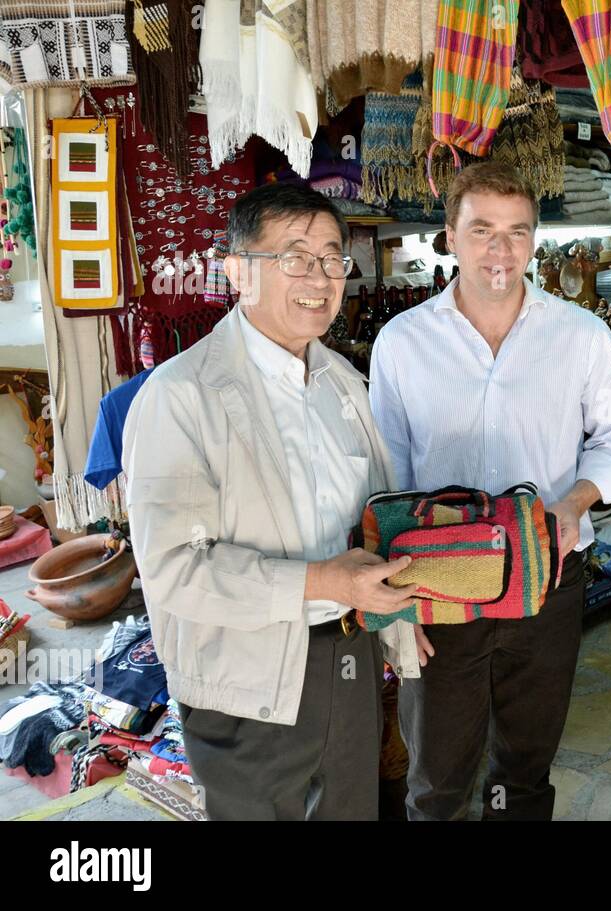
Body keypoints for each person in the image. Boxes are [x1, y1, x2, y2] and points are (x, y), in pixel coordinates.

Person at [122, 183, 429, 820]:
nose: (319, 276)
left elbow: (376, 521)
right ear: (237, 270)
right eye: (294, 256)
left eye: (331, 257)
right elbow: (175, 570)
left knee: (351, 810)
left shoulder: (343, 382)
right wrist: (327, 581)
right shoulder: (181, 396)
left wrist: (399, 614)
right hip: (248, 671)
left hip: (351, 651)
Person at [370, 161, 611, 820]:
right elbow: (383, 479)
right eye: (483, 230)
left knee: (525, 769)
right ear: (450, 236)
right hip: (439, 583)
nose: (501, 250)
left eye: (517, 232)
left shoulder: (579, 335)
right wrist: (394, 605)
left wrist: (575, 500)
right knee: (436, 779)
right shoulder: (403, 344)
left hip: (548, 575)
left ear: (534, 239)